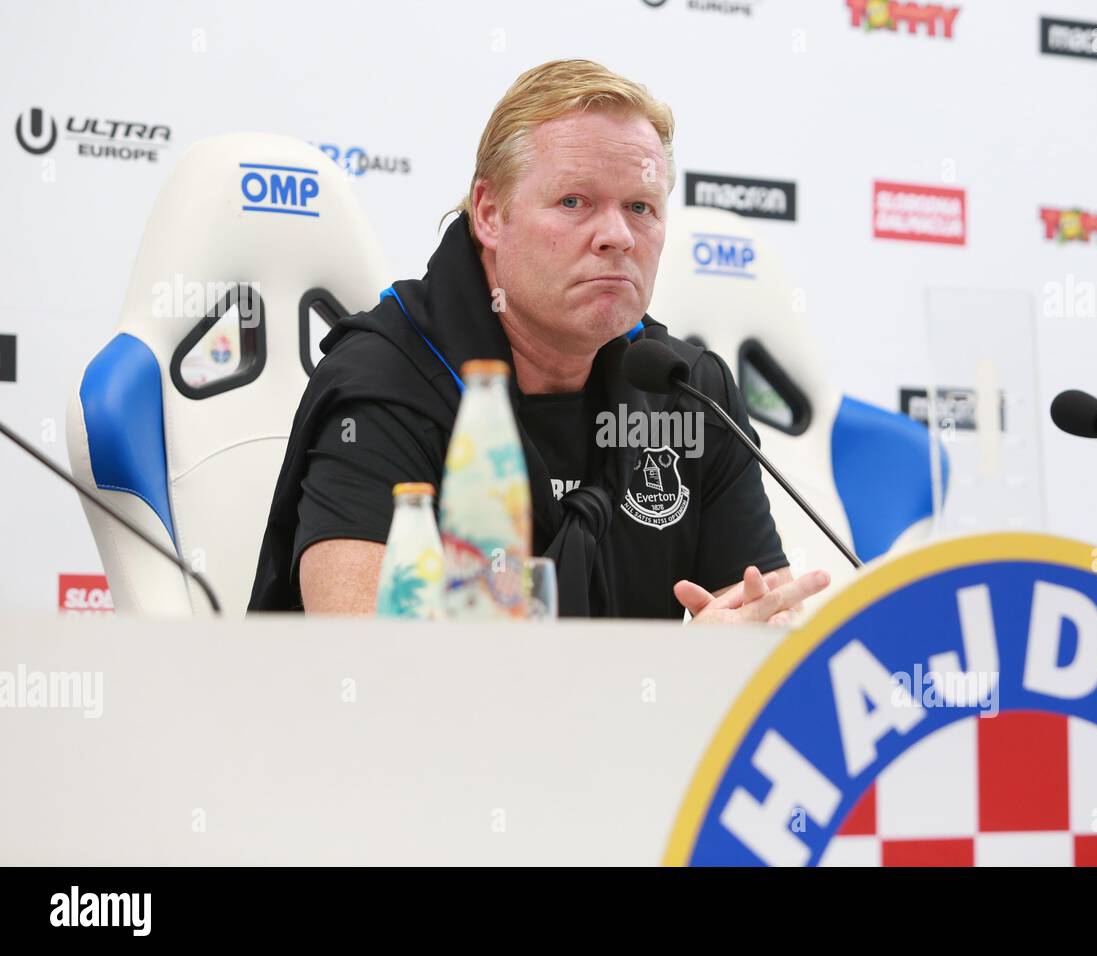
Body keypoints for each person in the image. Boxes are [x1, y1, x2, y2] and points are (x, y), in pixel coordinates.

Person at [248, 59, 830, 622]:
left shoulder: (690, 393)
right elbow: (367, 665)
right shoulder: (386, 385)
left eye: (641, 207)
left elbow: (761, 620)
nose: (617, 236)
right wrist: (676, 672)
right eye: (575, 202)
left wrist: (741, 645)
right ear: (489, 212)